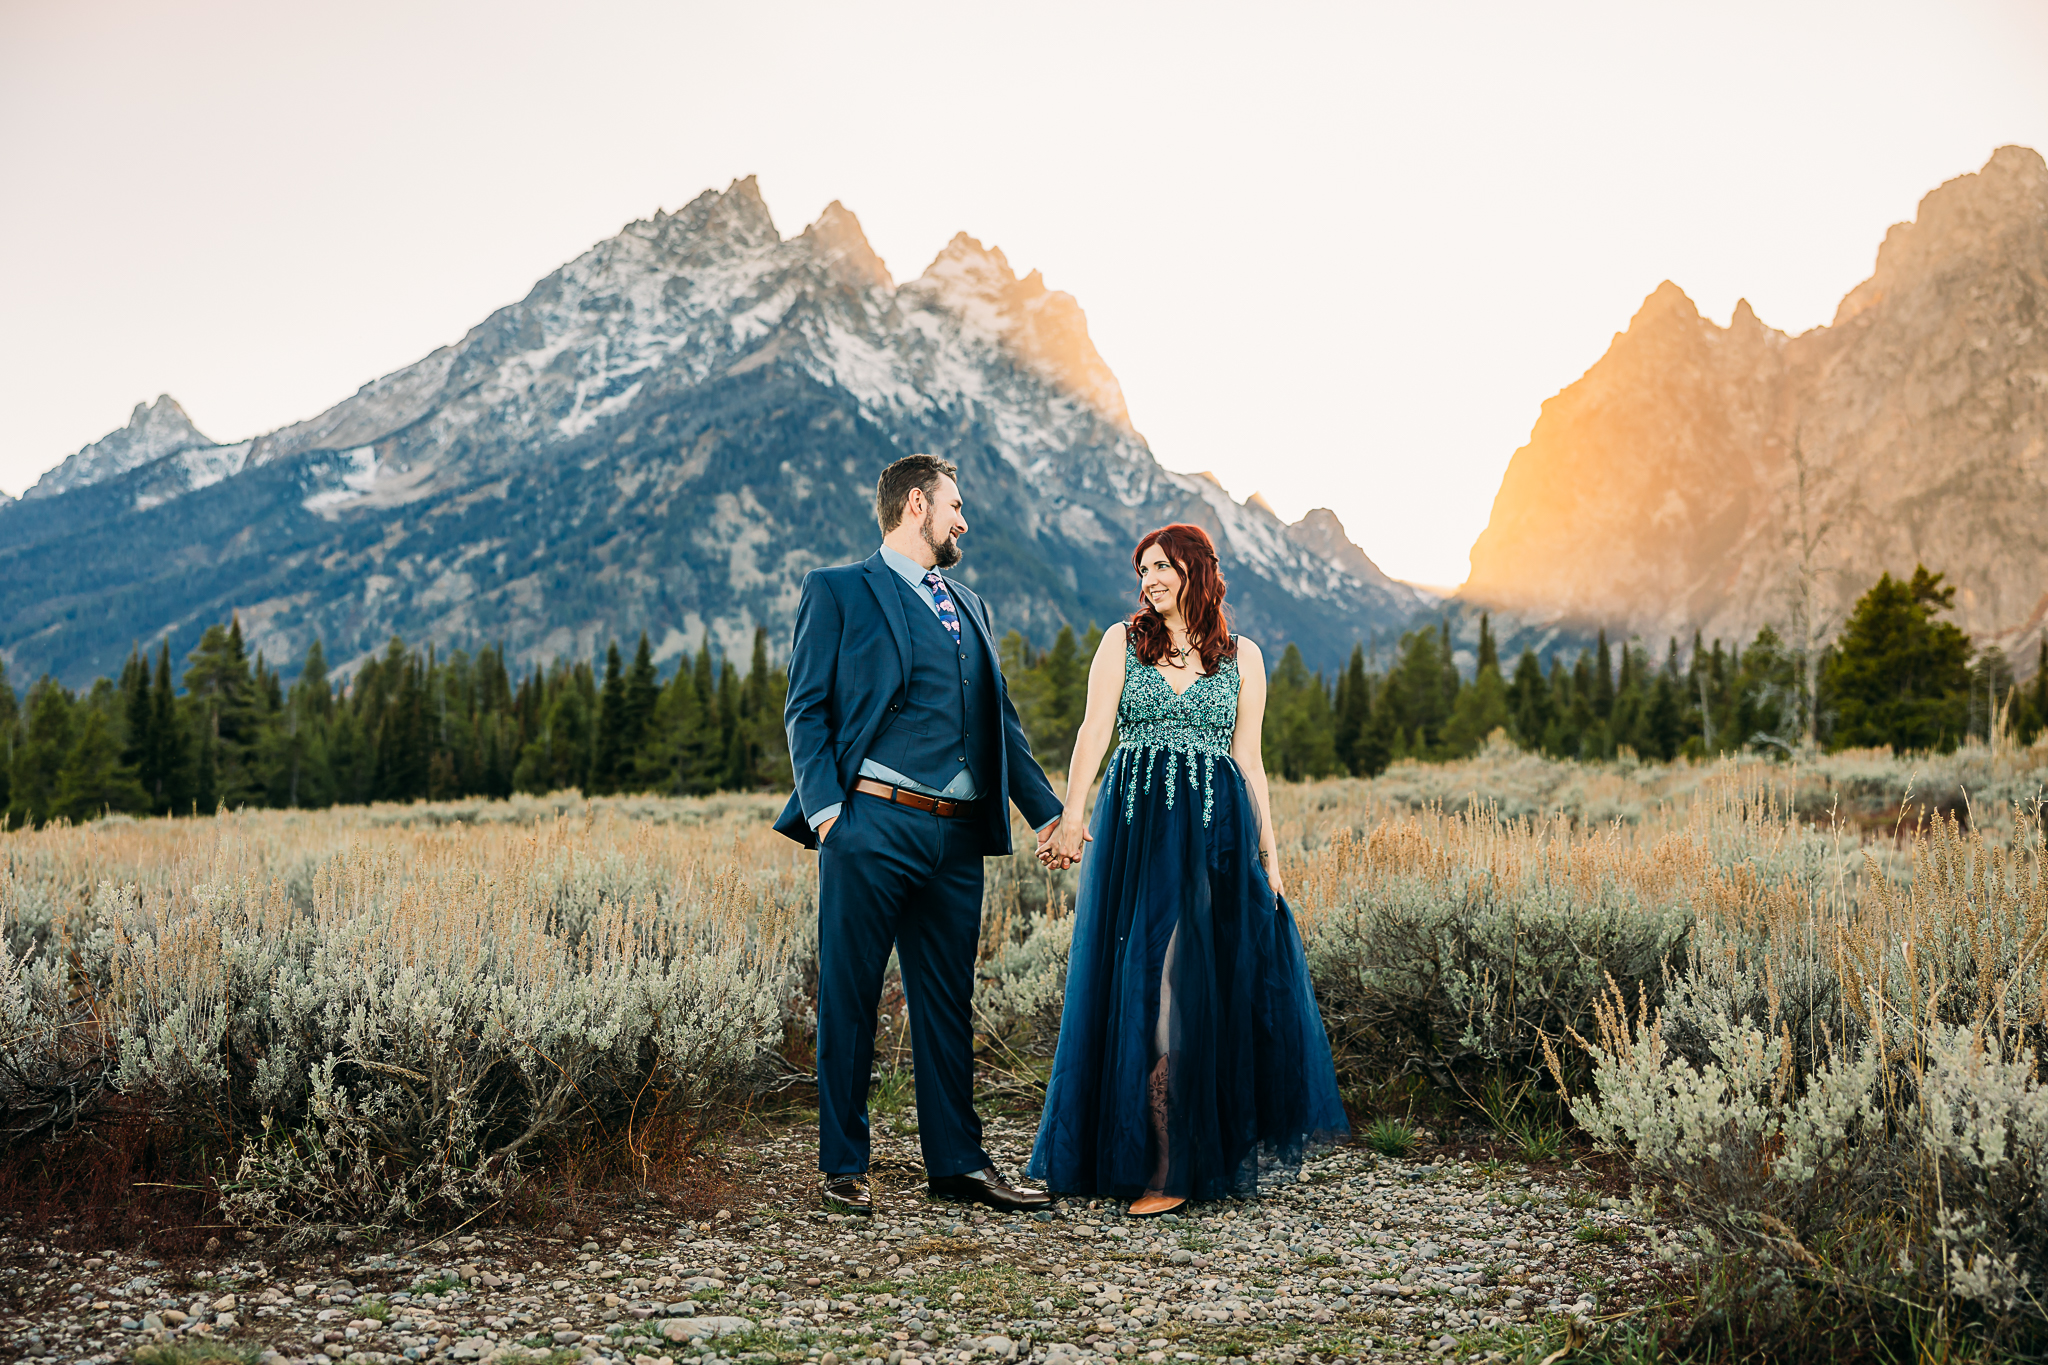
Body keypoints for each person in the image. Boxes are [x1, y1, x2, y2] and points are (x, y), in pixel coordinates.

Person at [1026, 523, 1348, 1215]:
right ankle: (1130, 1150)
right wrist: (1074, 812)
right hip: (1137, 836)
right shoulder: (1123, 641)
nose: (1149, 578)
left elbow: (1251, 761)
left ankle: (1176, 1164)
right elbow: (1093, 729)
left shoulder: (1243, 658)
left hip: (1215, 838)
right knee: (1137, 981)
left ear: (1196, 571)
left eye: (1163, 566)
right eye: (1142, 568)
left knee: (1187, 987)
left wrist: (1272, 857)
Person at [776, 454, 1066, 1217]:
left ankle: (958, 1165)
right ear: (916, 505)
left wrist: (1051, 812)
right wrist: (832, 814)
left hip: (956, 839)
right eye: (956, 505)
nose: (964, 520)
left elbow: (1000, 723)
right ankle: (843, 1164)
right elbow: (805, 709)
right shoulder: (837, 589)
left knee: (947, 1001)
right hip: (870, 823)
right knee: (850, 996)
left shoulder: (970, 604)